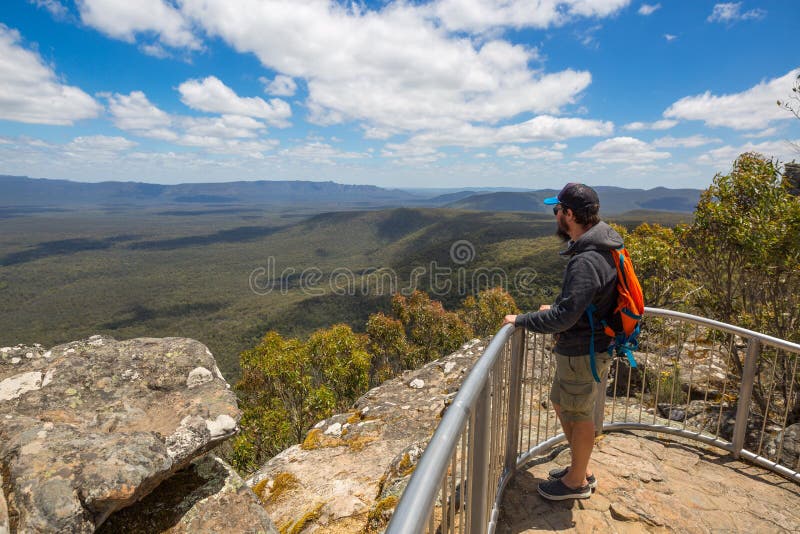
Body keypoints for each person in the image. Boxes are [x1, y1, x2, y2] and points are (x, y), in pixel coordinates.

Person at [503, 182, 623, 501]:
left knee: (579, 414)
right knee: (563, 404)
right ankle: (579, 468)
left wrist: (523, 319)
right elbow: (578, 304)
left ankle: (576, 483)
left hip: (584, 350)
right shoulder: (600, 248)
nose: (555, 216)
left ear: (569, 214)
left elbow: (567, 317)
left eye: (557, 210)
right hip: (583, 346)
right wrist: (557, 308)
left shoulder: (587, 259)